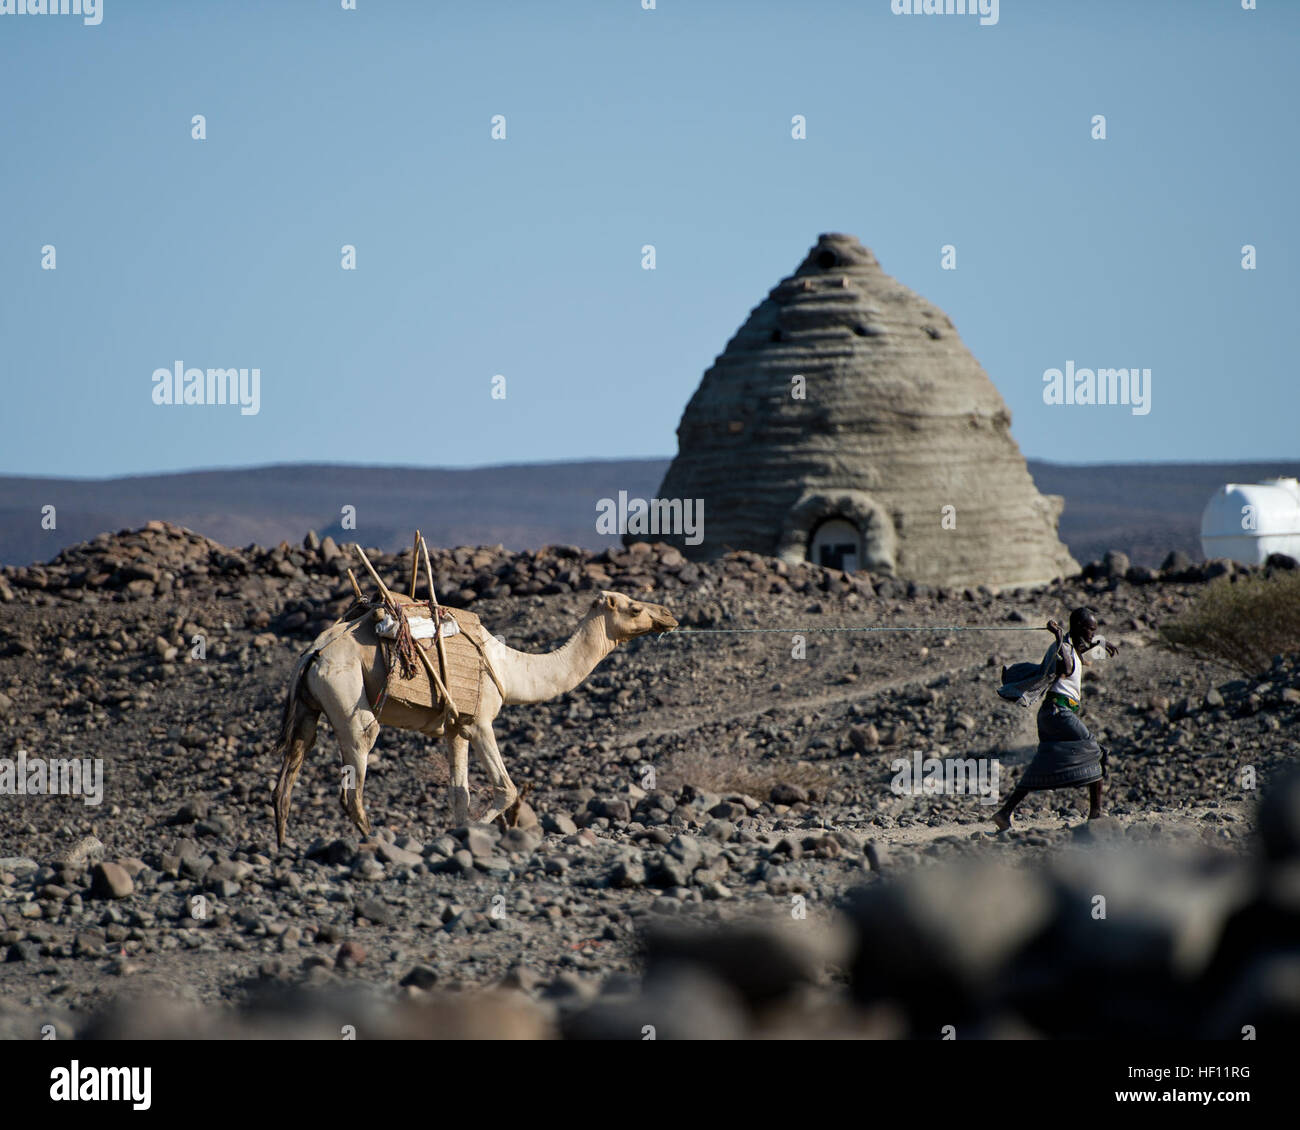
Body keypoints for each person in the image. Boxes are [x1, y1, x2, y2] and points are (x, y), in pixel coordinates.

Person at [992, 607, 1119, 831]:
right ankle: (1095, 814)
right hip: (1058, 712)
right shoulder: (1061, 647)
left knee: (1042, 762)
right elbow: (1067, 667)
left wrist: (1101, 642)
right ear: (1079, 627)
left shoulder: (1073, 646)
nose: (1093, 634)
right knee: (1094, 750)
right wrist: (1058, 636)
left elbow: (1082, 648)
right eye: (1091, 629)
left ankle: (1004, 813)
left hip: (1053, 714)